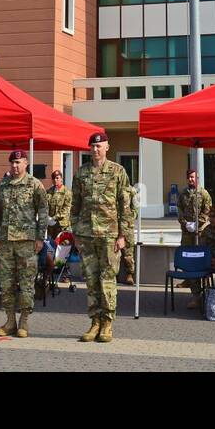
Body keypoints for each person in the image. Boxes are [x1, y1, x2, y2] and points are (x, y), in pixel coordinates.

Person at [70, 133, 133, 344]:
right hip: (87, 236)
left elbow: (125, 206)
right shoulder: (81, 173)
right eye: (93, 146)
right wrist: (76, 234)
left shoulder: (118, 171)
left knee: (107, 280)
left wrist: (123, 235)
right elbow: (75, 207)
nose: (95, 149)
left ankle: (107, 322)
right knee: (90, 281)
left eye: (99, 146)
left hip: (109, 236)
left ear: (107, 147)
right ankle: (94, 322)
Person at [0, 149, 49, 338]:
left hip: (27, 242)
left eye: (19, 163)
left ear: (26, 163)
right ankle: (10, 321)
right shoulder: (2, 186)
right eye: (13, 163)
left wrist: (40, 238)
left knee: (26, 284)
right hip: (6, 242)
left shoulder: (35, 185)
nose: (15, 166)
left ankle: (24, 322)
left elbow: (43, 212)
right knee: (6, 284)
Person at [177, 168, 212, 308]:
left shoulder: (203, 193)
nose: (191, 179)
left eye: (193, 177)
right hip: (187, 233)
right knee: (187, 259)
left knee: (198, 261)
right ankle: (193, 291)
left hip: (199, 233)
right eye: (189, 177)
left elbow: (207, 210)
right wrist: (185, 224)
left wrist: (198, 223)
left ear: (197, 178)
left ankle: (202, 293)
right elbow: (179, 209)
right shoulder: (183, 194)